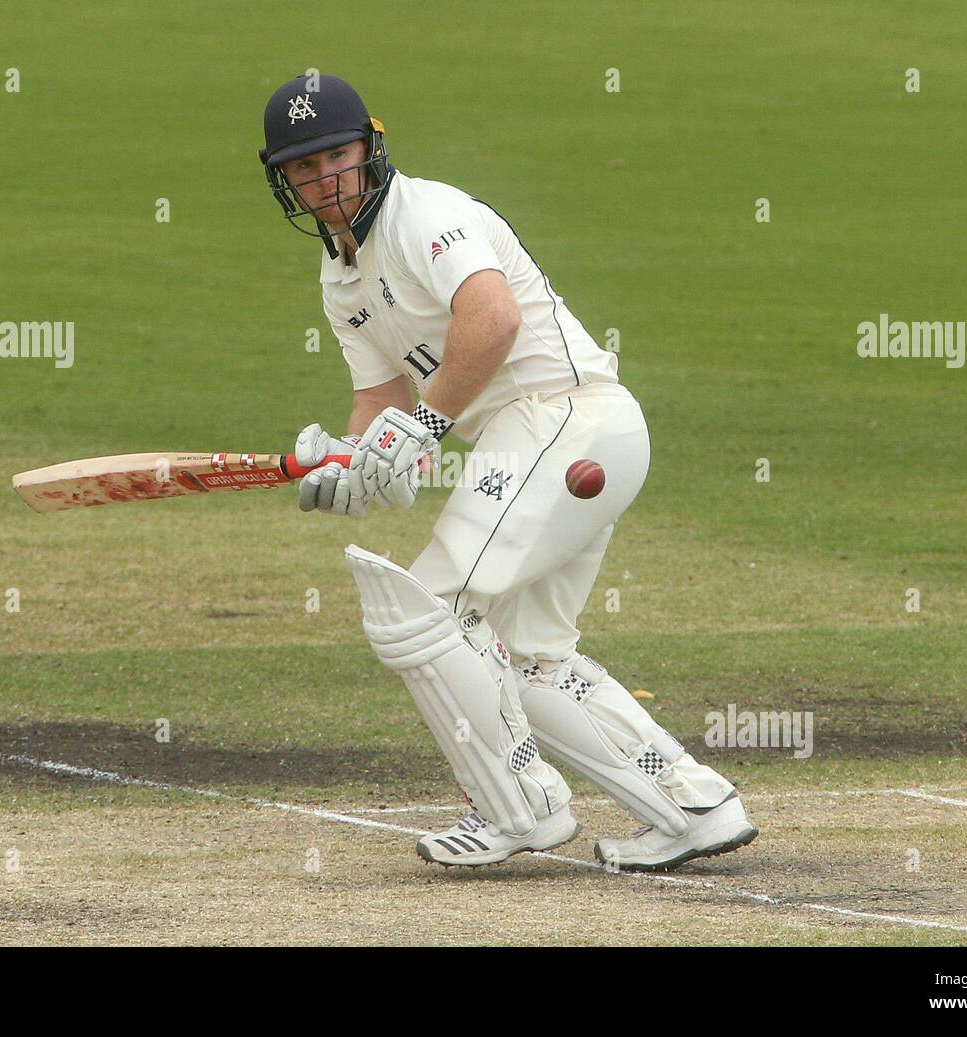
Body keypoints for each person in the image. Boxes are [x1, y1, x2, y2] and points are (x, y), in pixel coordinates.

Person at [258, 73, 757, 871]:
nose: (326, 179)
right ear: (281, 177)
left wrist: (420, 428)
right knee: (526, 659)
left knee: (427, 609)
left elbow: (492, 320)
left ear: (370, 148)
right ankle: (692, 804)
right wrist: (347, 465)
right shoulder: (339, 274)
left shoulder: (428, 213)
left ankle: (518, 809)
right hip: (550, 444)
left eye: (338, 157)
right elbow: (378, 400)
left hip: (564, 418)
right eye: (305, 167)